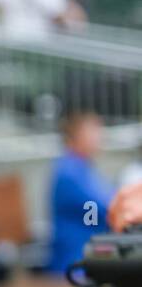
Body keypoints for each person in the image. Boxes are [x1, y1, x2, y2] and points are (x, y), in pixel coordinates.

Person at [48, 113, 114, 274]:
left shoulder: (81, 167)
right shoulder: (69, 172)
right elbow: (107, 207)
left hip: (93, 251)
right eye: (93, 132)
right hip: (76, 261)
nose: (99, 137)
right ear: (76, 136)